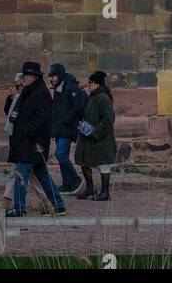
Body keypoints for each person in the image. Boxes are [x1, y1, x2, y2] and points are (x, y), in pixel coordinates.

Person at [6, 61, 65, 219]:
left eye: (26, 75)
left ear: (32, 76)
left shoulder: (40, 93)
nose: (24, 78)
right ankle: (58, 205)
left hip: (32, 143)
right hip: (30, 142)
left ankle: (19, 208)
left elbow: (44, 118)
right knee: (42, 174)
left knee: (20, 173)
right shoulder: (30, 91)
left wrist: (25, 129)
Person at [0, 73, 51, 212]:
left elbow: (35, 120)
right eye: (15, 86)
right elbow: (9, 113)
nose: (16, 89)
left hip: (27, 141)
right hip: (18, 138)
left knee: (21, 171)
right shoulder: (18, 98)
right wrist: (10, 98)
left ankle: (9, 200)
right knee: (30, 173)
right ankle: (48, 201)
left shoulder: (29, 98)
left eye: (19, 86)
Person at [75, 70, 117, 201]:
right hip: (89, 137)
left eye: (91, 82)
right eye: (88, 82)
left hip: (101, 139)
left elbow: (109, 118)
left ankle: (105, 192)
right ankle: (90, 189)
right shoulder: (93, 97)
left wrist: (96, 132)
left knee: (103, 164)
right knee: (84, 162)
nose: (88, 85)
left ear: (98, 84)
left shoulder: (103, 97)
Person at [48, 62, 86, 194]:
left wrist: (65, 120)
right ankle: (67, 183)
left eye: (53, 76)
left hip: (68, 128)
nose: (51, 79)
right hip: (60, 128)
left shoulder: (69, 86)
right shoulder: (59, 88)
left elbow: (75, 107)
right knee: (62, 155)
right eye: (50, 76)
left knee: (60, 154)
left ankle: (75, 178)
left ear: (59, 75)